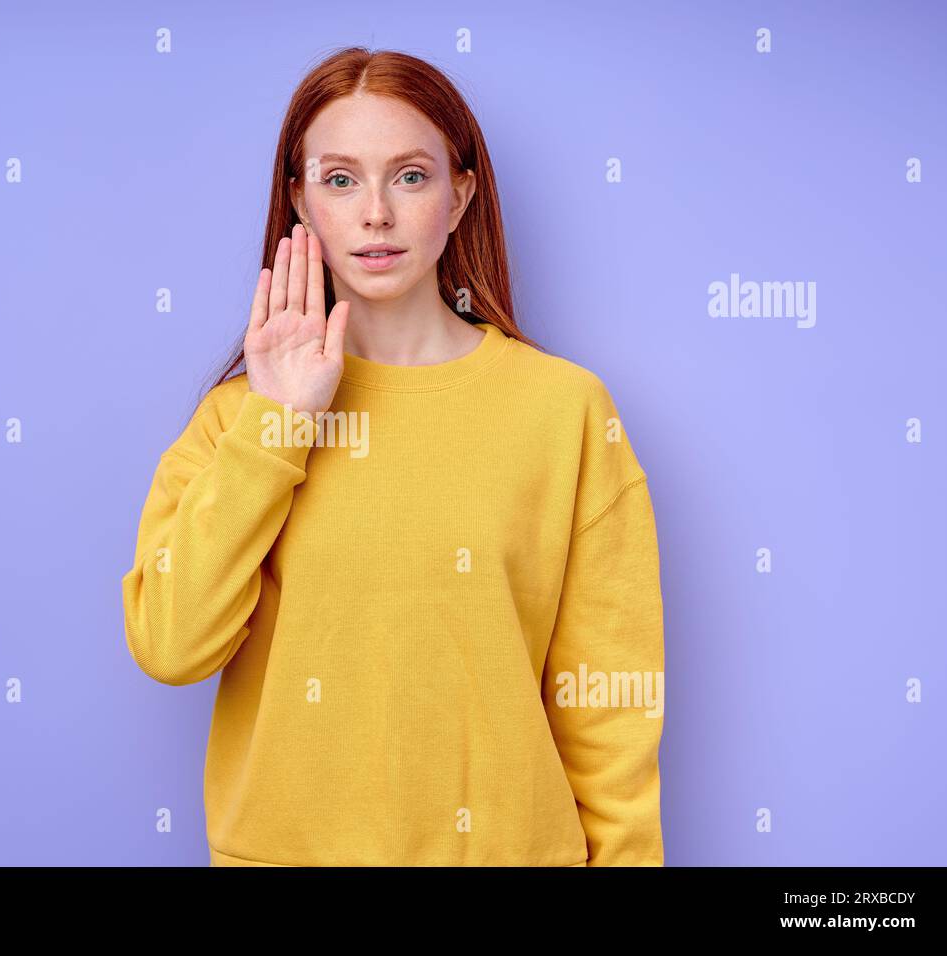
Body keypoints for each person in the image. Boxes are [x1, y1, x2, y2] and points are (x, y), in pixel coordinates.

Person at [121, 47, 665, 867]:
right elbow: (170, 646)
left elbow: (610, 715)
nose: (376, 213)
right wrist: (280, 425)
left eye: (410, 176)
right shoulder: (239, 419)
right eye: (340, 180)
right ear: (300, 201)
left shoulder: (565, 410)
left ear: (460, 196)